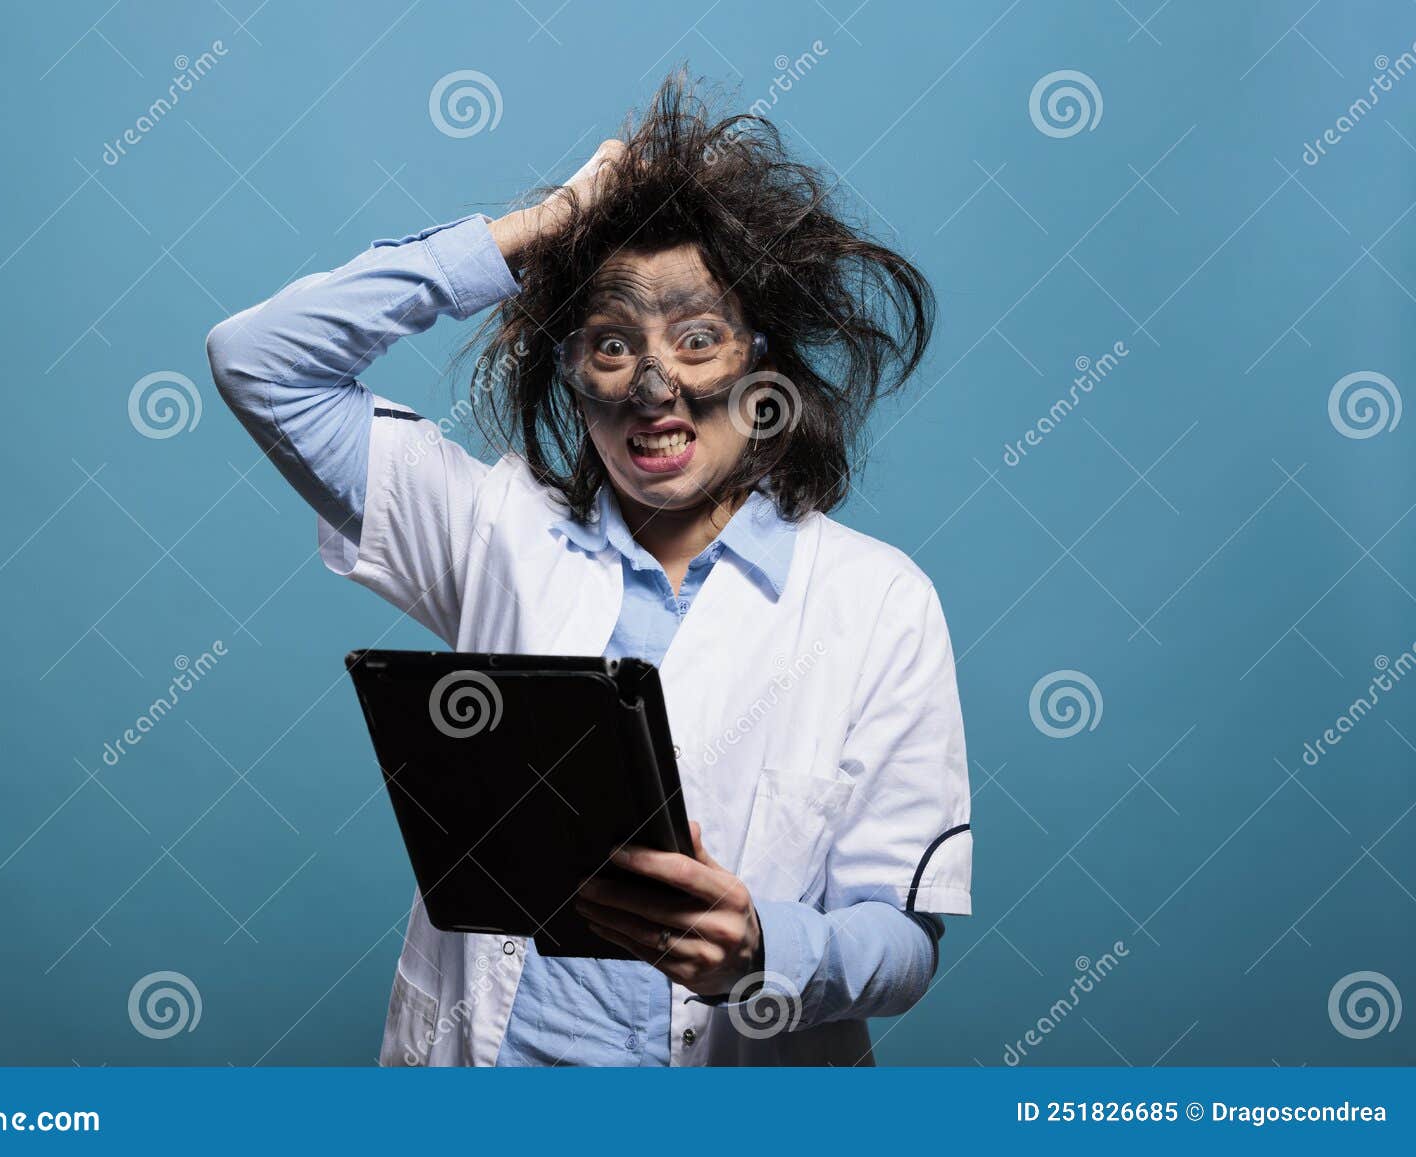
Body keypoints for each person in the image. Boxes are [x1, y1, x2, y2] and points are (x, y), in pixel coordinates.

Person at [206, 71, 972, 1067]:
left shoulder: (879, 603)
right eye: (611, 344)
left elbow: (904, 938)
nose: (655, 389)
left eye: (696, 338)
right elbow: (259, 360)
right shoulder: (495, 528)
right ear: (568, 368)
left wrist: (762, 948)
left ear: (760, 358)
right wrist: (541, 226)